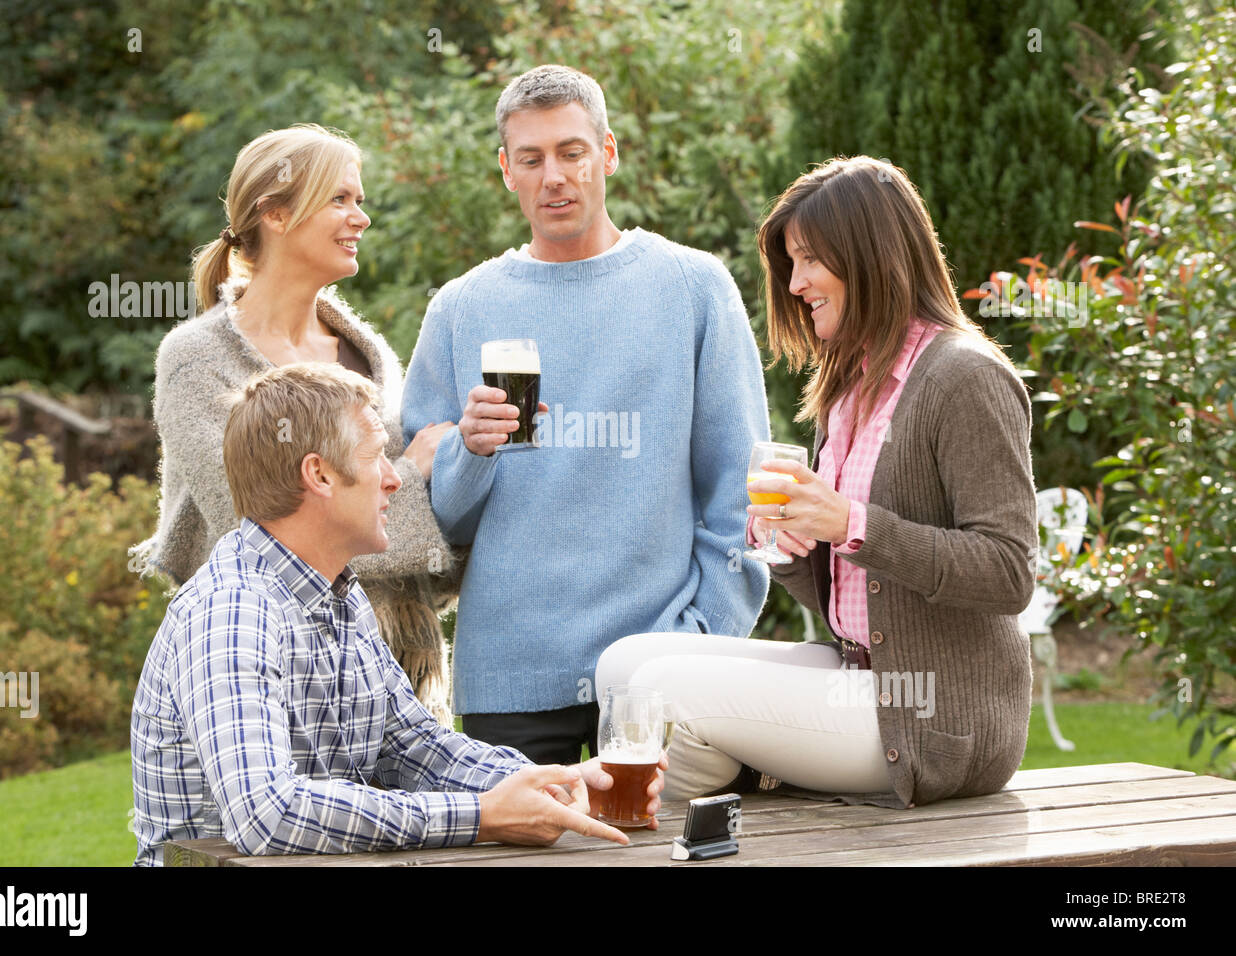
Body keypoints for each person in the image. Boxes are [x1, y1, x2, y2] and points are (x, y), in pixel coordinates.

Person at [597, 156, 1038, 809]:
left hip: (934, 718)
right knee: (625, 665)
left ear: (870, 256)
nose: (796, 282)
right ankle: (691, 809)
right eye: (791, 264)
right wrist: (787, 543)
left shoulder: (964, 377)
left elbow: (1009, 575)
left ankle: (637, 833)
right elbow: (842, 594)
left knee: (663, 688)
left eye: (810, 260)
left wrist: (850, 524)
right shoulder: (849, 388)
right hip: (857, 672)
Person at [130, 364, 663, 865]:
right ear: (319, 474)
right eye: (377, 457)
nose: (395, 479)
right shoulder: (233, 611)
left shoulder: (339, 594)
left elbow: (414, 746)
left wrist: (556, 785)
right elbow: (265, 815)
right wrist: (480, 817)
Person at [400, 65, 771, 764]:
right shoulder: (461, 308)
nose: (555, 177)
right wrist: (468, 456)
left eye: (572, 152)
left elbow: (743, 487)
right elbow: (427, 523)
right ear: (506, 170)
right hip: (508, 676)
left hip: (660, 670)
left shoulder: (692, 288)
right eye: (532, 159)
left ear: (608, 153)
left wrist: (705, 636)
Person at [129, 124, 458, 723]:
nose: (360, 217)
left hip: (401, 676)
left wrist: (466, 457)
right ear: (275, 214)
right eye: (340, 199)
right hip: (274, 673)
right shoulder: (197, 362)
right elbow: (257, 526)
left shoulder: (369, 353)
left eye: (359, 200)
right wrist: (413, 473)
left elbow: (416, 520)